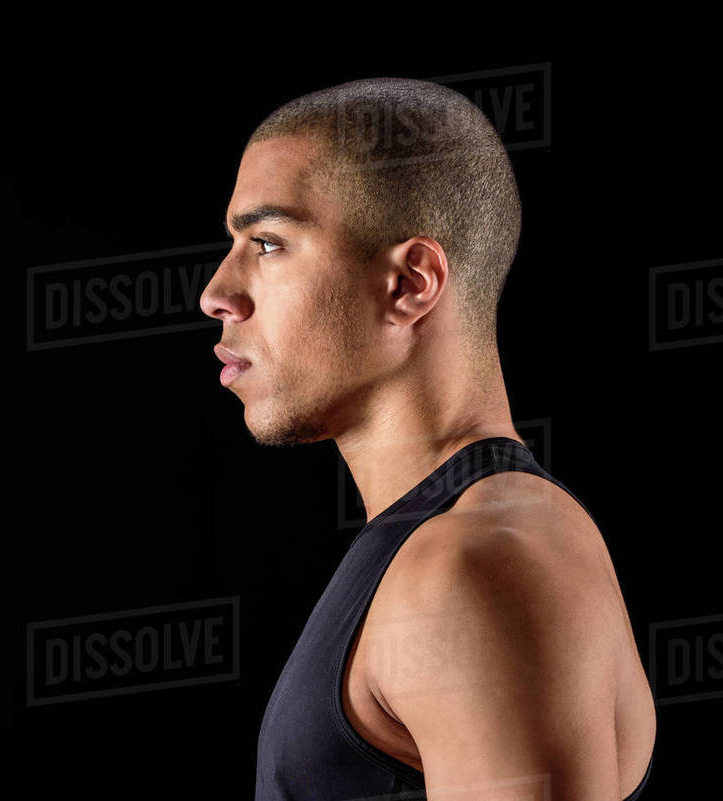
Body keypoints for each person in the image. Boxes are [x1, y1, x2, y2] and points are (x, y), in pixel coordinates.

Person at [200, 78, 656, 801]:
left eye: (268, 243)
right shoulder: (455, 542)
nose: (218, 293)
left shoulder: (477, 565)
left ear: (410, 283)